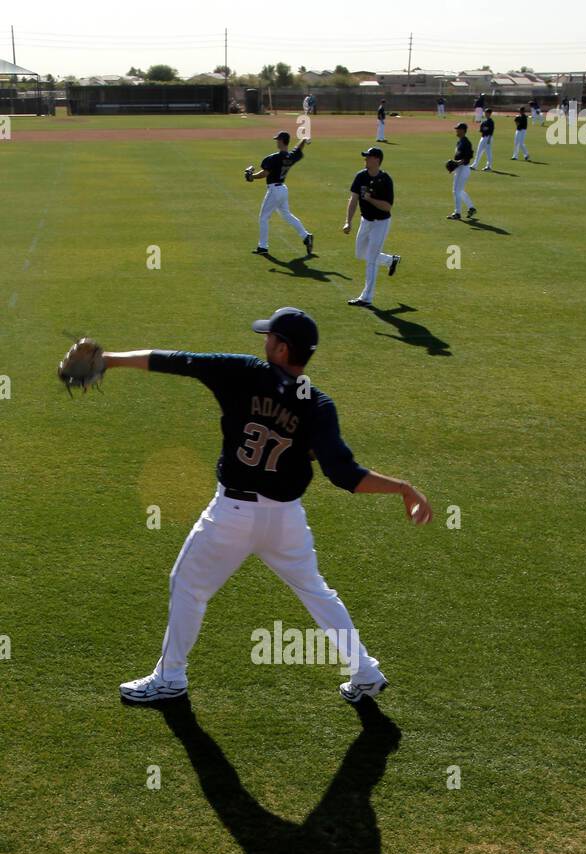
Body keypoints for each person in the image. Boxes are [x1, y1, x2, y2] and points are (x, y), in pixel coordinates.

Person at [60, 309, 431, 705]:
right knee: (317, 593)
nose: (264, 340)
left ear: (282, 346)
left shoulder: (242, 371)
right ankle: (365, 671)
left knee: (186, 586)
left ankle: (170, 678)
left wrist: (111, 360)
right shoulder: (318, 404)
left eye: (269, 336)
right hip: (286, 520)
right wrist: (403, 489)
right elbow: (344, 475)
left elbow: (175, 360)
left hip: (231, 516)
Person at [343, 146, 400, 308]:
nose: (365, 159)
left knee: (371, 260)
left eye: (368, 157)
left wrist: (370, 199)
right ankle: (391, 260)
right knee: (361, 253)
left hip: (380, 223)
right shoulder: (360, 176)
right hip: (365, 221)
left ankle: (366, 297)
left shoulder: (386, 180)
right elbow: (353, 199)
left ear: (377, 160)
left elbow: (387, 207)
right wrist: (348, 221)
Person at [247, 131, 313, 256]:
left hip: (274, 190)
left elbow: (264, 173)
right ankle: (306, 236)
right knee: (286, 215)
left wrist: (252, 177)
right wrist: (304, 139)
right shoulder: (290, 157)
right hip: (282, 189)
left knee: (263, 218)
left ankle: (263, 247)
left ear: (282, 141)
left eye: (278, 139)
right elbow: (297, 149)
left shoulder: (274, 158)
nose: (276, 141)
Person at [447, 122, 476, 220]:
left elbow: (467, 158)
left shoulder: (466, 143)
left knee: (456, 191)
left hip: (463, 169)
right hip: (460, 169)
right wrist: (455, 165)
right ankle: (471, 208)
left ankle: (457, 213)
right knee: (460, 191)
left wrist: (456, 164)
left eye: (458, 129)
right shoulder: (460, 141)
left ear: (463, 130)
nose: (456, 130)